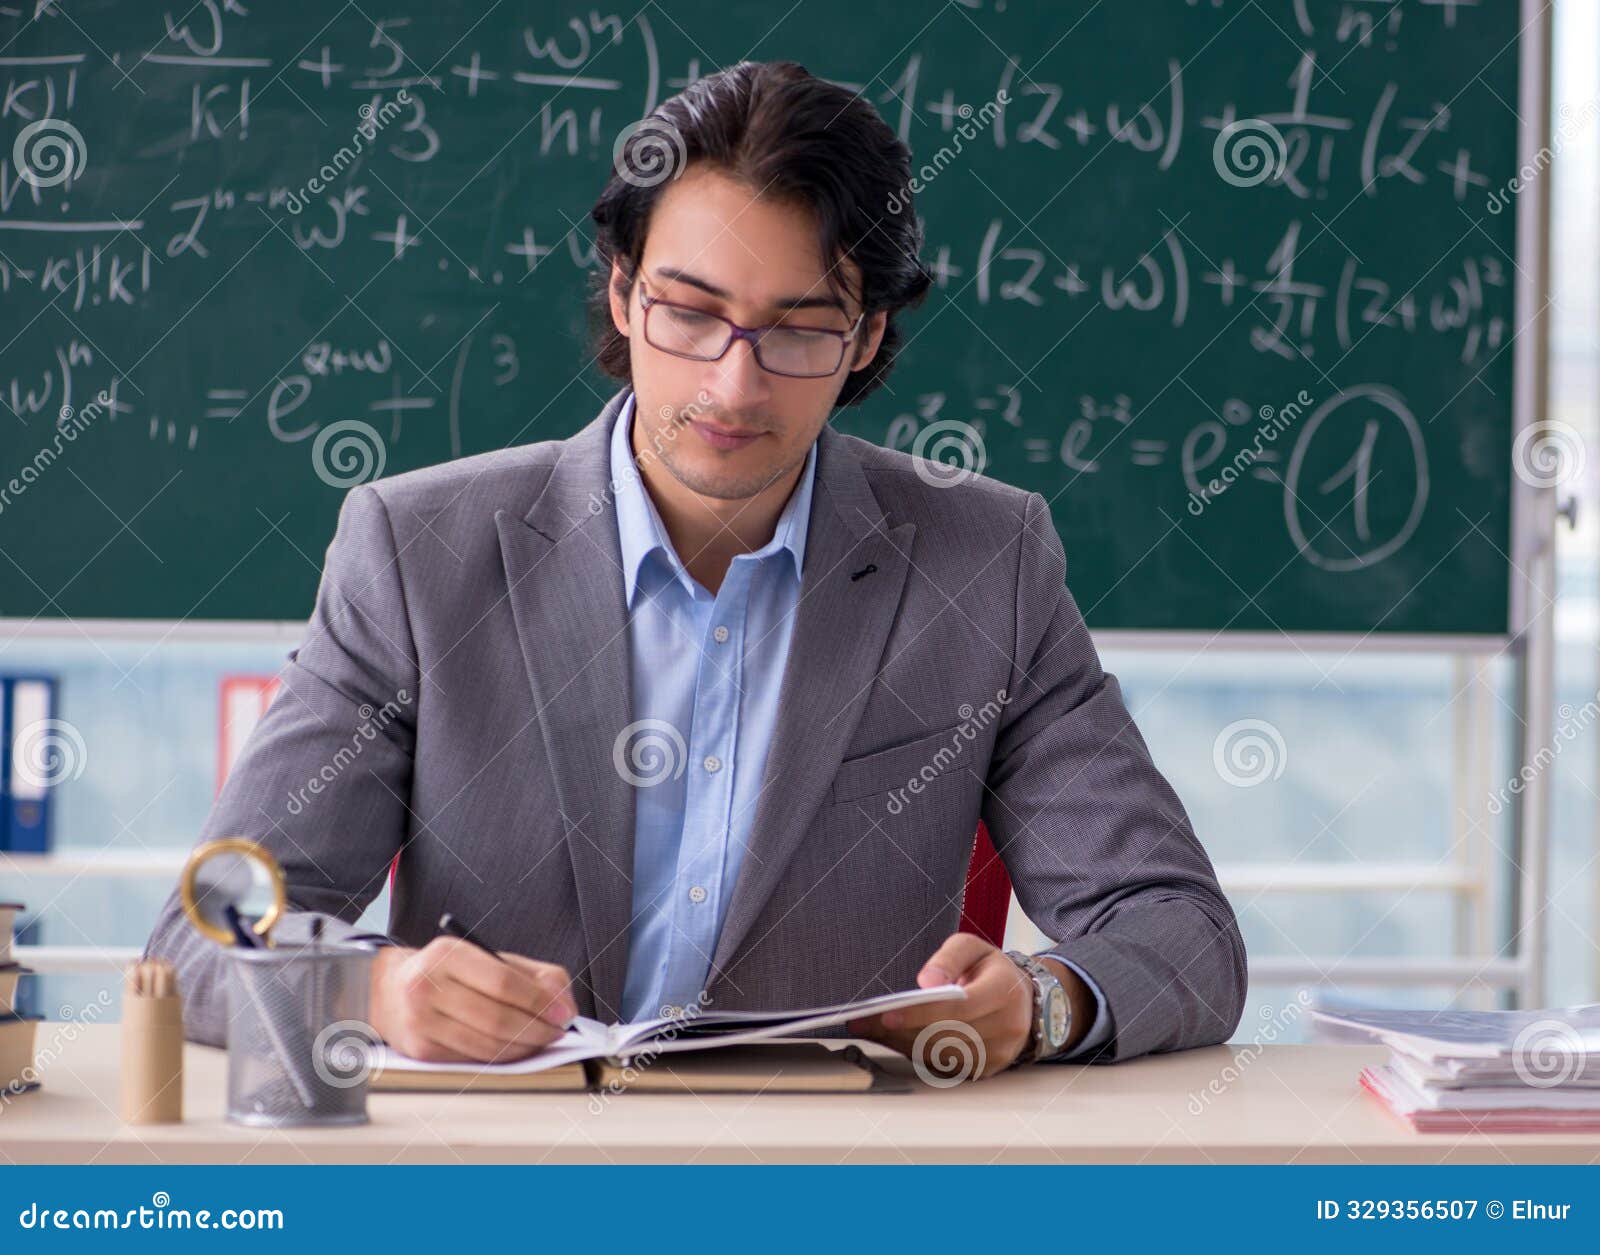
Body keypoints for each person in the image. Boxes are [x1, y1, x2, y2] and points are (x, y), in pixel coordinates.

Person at [146, 60, 1245, 1079]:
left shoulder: (983, 562)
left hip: (838, 1183)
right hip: (504, 1176)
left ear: (866, 339)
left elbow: (1178, 930)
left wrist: (1043, 1002)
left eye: (799, 329)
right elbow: (202, 941)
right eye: (689, 311)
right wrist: (374, 989)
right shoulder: (415, 550)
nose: (732, 386)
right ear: (624, 294)